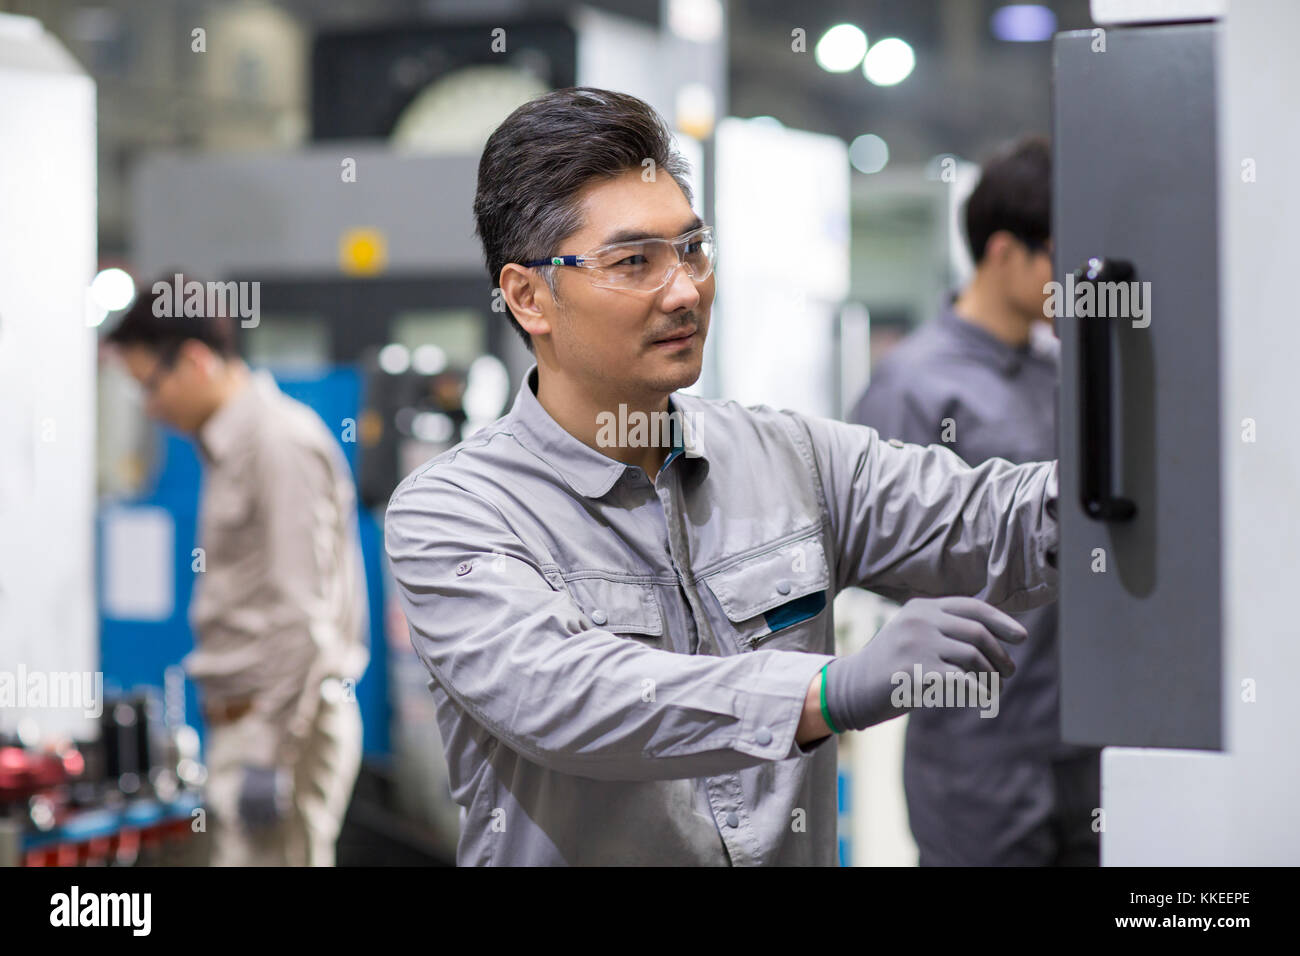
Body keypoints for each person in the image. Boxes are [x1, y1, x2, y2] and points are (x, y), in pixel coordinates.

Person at [384, 88, 1061, 866]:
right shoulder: (455, 514)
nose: (684, 291)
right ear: (529, 296)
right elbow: (566, 695)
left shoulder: (791, 457)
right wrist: (826, 691)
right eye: (634, 261)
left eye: (692, 249)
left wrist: (1148, 459)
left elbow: (995, 517)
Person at [850, 135, 1102, 865]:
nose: (1074, 281)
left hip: (1079, 742)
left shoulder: (1065, 371)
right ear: (1003, 252)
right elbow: (876, 555)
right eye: (1061, 256)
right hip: (978, 753)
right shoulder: (914, 385)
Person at [106, 287, 368, 866]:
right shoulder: (227, 447)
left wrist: (267, 756)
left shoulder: (277, 443)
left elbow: (302, 615)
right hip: (252, 725)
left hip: (280, 727)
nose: (149, 406)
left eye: (150, 385)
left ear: (196, 360)